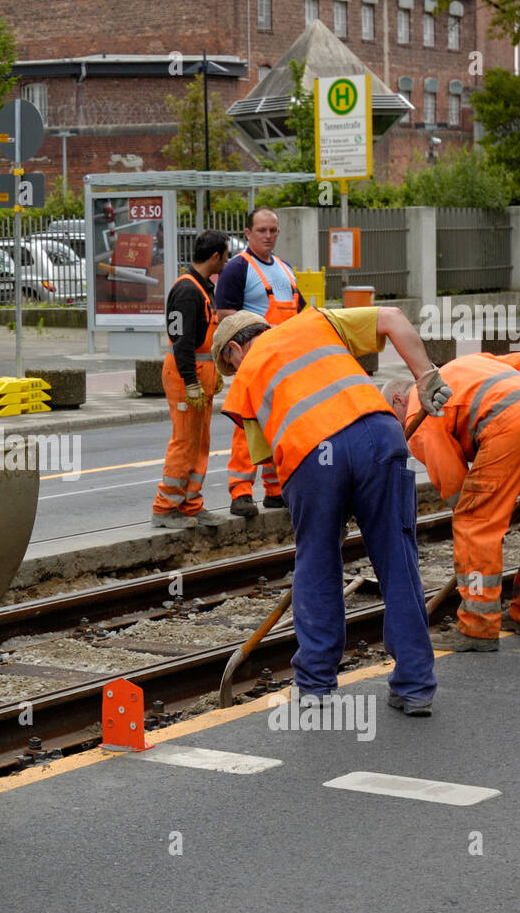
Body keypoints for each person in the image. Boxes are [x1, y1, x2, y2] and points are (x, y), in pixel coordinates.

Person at [212, 305, 453, 715]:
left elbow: (271, 458)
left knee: (318, 564)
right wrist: (426, 375)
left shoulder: (245, 383)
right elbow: (393, 318)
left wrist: (324, 516)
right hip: (379, 433)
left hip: (313, 459)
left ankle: (315, 686)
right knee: (398, 560)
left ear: (235, 349)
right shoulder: (316, 321)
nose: (235, 373)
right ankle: (415, 687)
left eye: (229, 366)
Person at [381, 351, 520, 650]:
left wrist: (486, 510)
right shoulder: (465, 365)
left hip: (510, 425)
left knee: (474, 524)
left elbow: (456, 488)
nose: (397, 429)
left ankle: (477, 628)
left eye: (392, 420)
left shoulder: (419, 414)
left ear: (398, 399)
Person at [216, 208, 305, 517]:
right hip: (255, 362)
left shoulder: (286, 270)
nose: (268, 235)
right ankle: (241, 493)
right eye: (262, 230)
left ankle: (275, 489)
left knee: (280, 425)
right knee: (248, 425)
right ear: (248, 233)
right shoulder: (238, 269)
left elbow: (301, 314)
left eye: (272, 230)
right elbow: (225, 317)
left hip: (285, 362)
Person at [151, 230, 231, 529]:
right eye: (225, 255)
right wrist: (192, 382)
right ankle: (165, 508)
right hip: (187, 377)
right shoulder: (188, 291)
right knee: (185, 442)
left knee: (199, 443)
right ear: (215, 257)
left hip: (199, 377)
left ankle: (190, 504)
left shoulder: (201, 287)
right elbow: (182, 343)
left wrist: (214, 373)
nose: (227, 260)